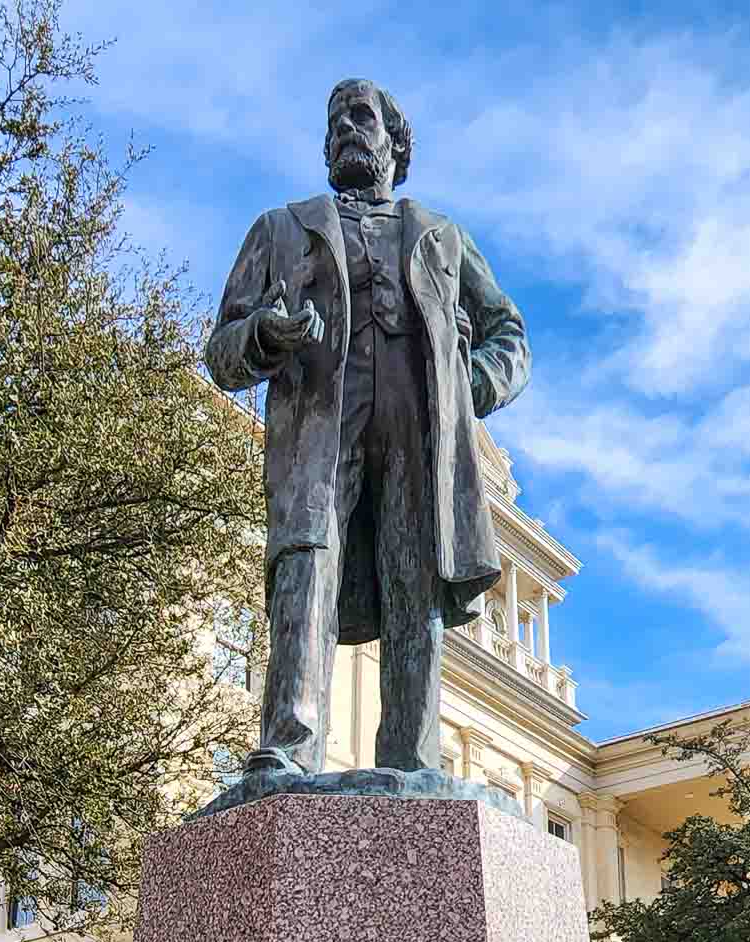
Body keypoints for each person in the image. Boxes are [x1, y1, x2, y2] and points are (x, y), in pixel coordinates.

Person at [206, 78, 531, 776]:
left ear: (394, 141)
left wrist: (468, 386)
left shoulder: (442, 237)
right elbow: (222, 351)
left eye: (362, 117)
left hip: (419, 429)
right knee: (306, 566)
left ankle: (412, 756)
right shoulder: (281, 228)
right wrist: (265, 330)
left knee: (414, 581)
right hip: (321, 428)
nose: (347, 130)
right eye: (335, 122)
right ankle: (287, 752)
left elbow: (509, 334)